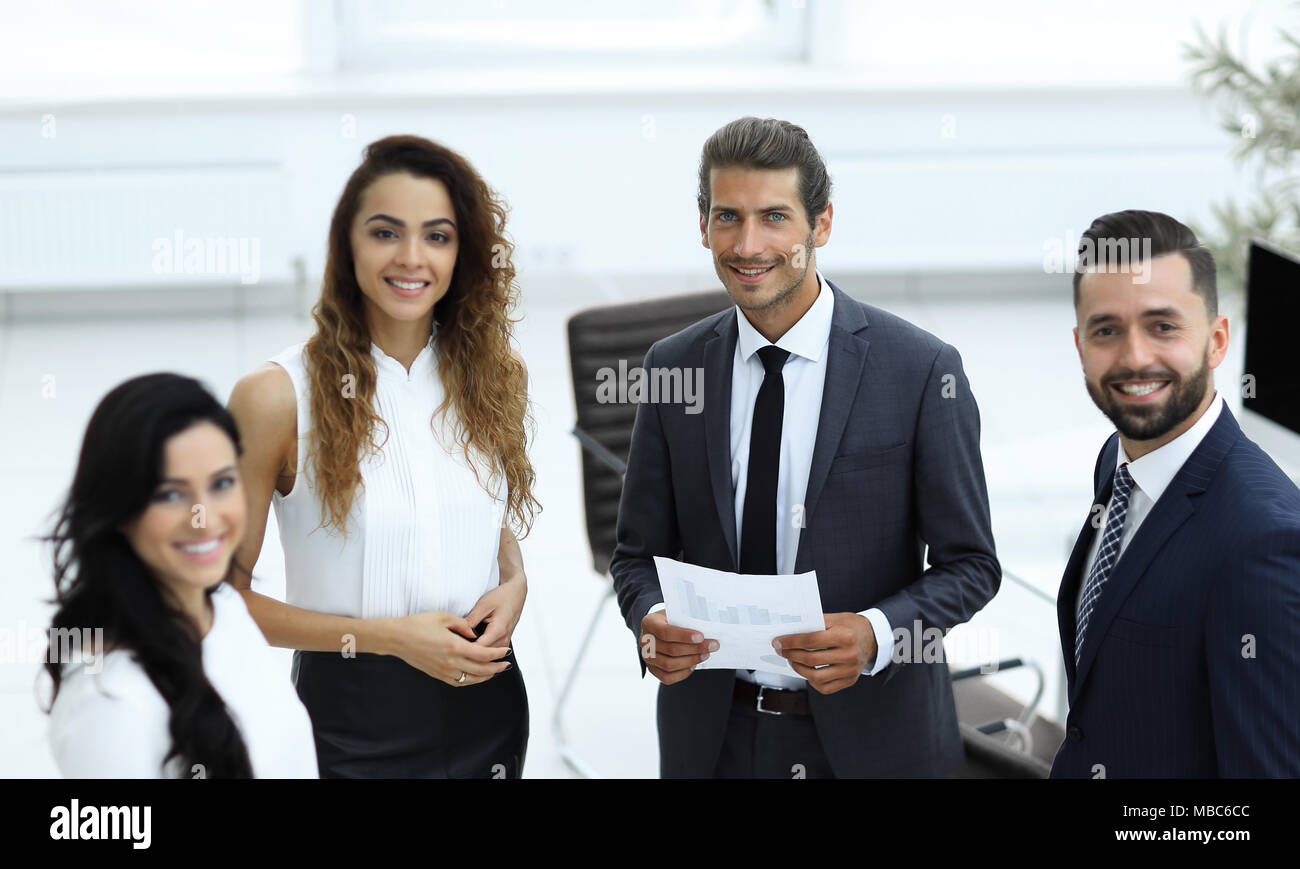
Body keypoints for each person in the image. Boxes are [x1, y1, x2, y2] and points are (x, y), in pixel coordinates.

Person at [610, 116, 1001, 778]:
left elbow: (971, 565)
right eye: (728, 216)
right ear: (702, 225)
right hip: (713, 738)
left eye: (774, 217)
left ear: (821, 225)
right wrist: (650, 616)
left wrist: (877, 632)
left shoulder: (919, 370)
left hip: (873, 740)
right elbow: (634, 556)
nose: (748, 243)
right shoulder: (673, 367)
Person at [227, 134, 538, 778]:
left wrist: (515, 581)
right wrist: (388, 639)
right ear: (348, 244)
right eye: (386, 232)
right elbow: (218, 601)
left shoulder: (490, 374)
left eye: (438, 235)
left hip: (489, 702)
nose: (412, 258)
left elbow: (471, 511)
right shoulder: (276, 396)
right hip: (352, 721)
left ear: (463, 252)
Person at [1052, 210, 1300, 777]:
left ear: (1216, 341)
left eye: (1163, 326)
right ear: (1080, 345)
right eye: (1107, 330)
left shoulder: (1264, 541)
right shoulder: (1120, 460)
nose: (1135, 357)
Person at [42, 373, 318, 778]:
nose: (204, 518)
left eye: (222, 483)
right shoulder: (110, 705)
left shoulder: (222, 609)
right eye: (171, 494)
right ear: (117, 508)